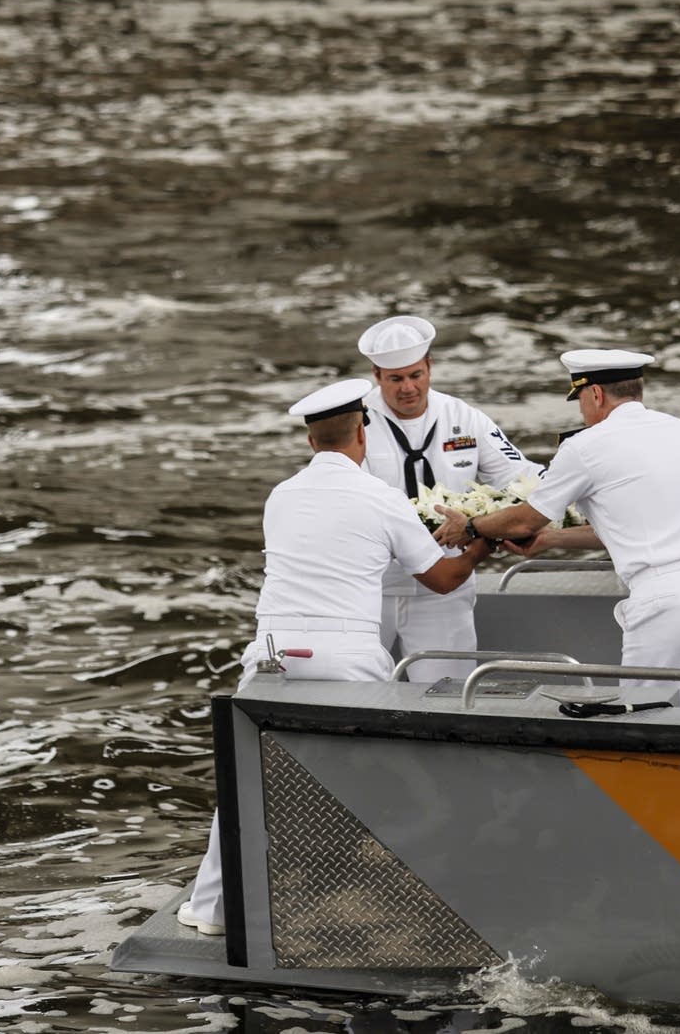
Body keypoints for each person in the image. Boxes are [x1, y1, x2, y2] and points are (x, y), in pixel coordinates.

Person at [178, 379, 495, 937]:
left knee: (246, 778)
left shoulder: (280, 496)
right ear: (362, 434)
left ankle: (210, 911)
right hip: (347, 653)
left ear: (310, 440)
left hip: (273, 651)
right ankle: (420, 903)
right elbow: (443, 579)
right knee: (377, 779)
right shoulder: (381, 497)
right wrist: (482, 540)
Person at [433, 349, 680, 712]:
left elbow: (526, 519)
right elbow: (632, 524)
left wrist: (471, 526)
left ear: (596, 394)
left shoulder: (584, 447)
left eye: (580, 400)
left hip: (668, 603)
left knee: (649, 725)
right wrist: (553, 539)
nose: (582, 412)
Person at [356, 315, 541, 679]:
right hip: (372, 587)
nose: (408, 388)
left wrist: (575, 483)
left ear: (430, 366)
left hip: (445, 586)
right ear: (377, 375)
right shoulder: (357, 422)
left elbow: (521, 476)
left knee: (446, 692)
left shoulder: (463, 417)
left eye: (416, 375)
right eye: (395, 379)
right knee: (356, 692)